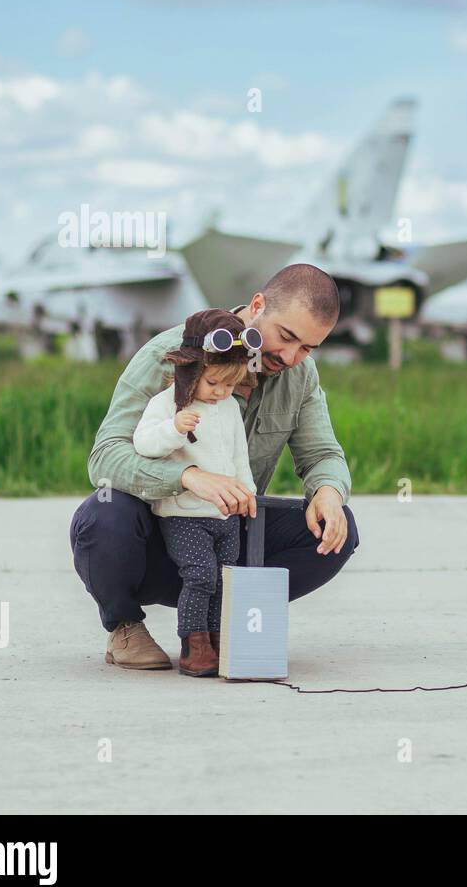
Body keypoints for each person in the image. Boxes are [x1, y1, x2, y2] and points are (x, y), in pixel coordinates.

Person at [69, 264, 360, 671]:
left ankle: (227, 620)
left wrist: (328, 491)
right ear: (257, 306)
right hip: (159, 533)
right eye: (287, 337)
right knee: (103, 514)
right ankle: (125, 627)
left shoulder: (300, 376)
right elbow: (105, 456)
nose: (292, 357)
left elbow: (323, 454)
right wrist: (187, 478)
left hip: (228, 537)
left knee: (336, 530)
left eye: (308, 348)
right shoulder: (169, 354)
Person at [132, 308, 257, 677]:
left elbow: (238, 455)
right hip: (184, 514)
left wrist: (246, 492)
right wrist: (173, 429)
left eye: (230, 384)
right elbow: (143, 444)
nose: (221, 392)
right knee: (200, 574)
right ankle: (193, 644)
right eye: (213, 382)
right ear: (191, 370)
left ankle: (219, 640)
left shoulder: (230, 407)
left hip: (225, 515)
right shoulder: (169, 405)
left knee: (224, 579)